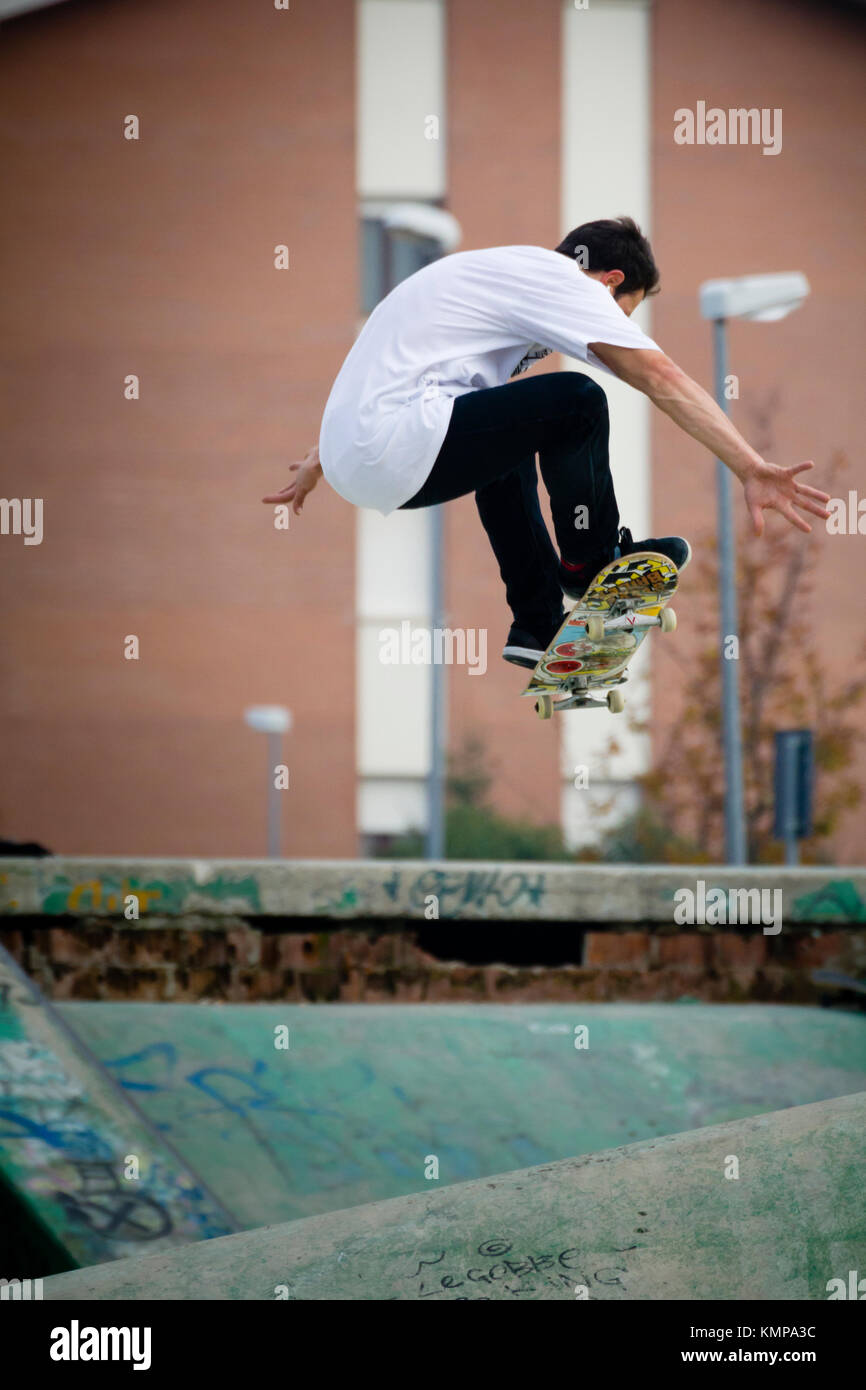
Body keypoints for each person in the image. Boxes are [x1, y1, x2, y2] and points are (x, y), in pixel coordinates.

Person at [263, 217, 830, 668]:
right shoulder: (562, 280)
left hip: (365, 454)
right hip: (398, 439)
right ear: (610, 280)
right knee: (577, 400)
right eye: (623, 311)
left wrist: (322, 460)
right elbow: (661, 378)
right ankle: (591, 564)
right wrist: (750, 466)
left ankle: (535, 623)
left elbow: (386, 365)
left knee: (506, 444)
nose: (616, 328)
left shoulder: (494, 280)